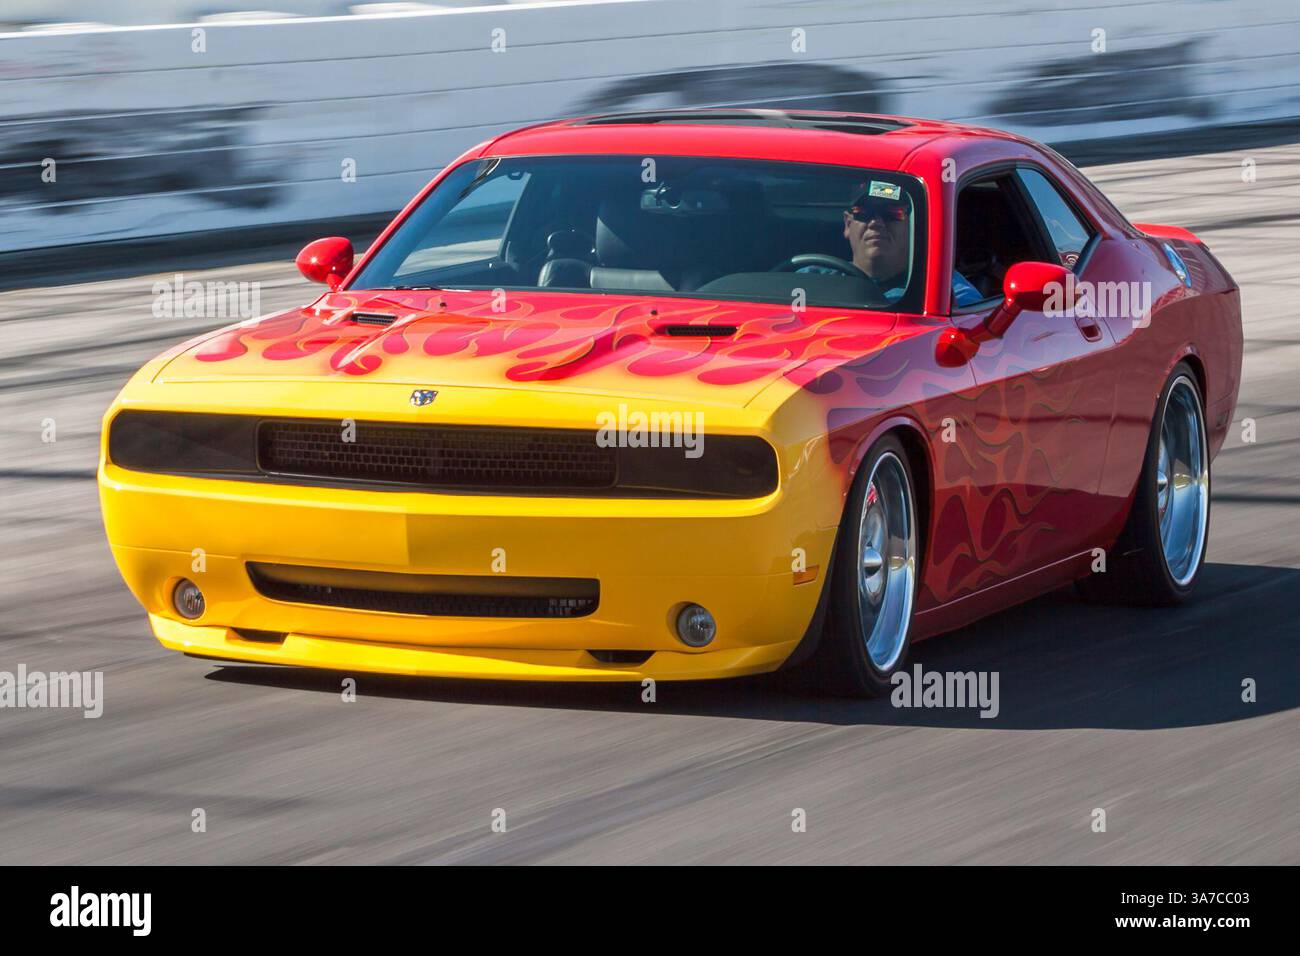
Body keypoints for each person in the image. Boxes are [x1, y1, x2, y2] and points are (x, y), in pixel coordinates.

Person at [799, 185, 982, 307]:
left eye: (892, 213)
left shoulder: (944, 292)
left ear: (913, 226)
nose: (876, 222)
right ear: (848, 224)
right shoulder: (811, 279)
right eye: (864, 213)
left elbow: (969, 323)